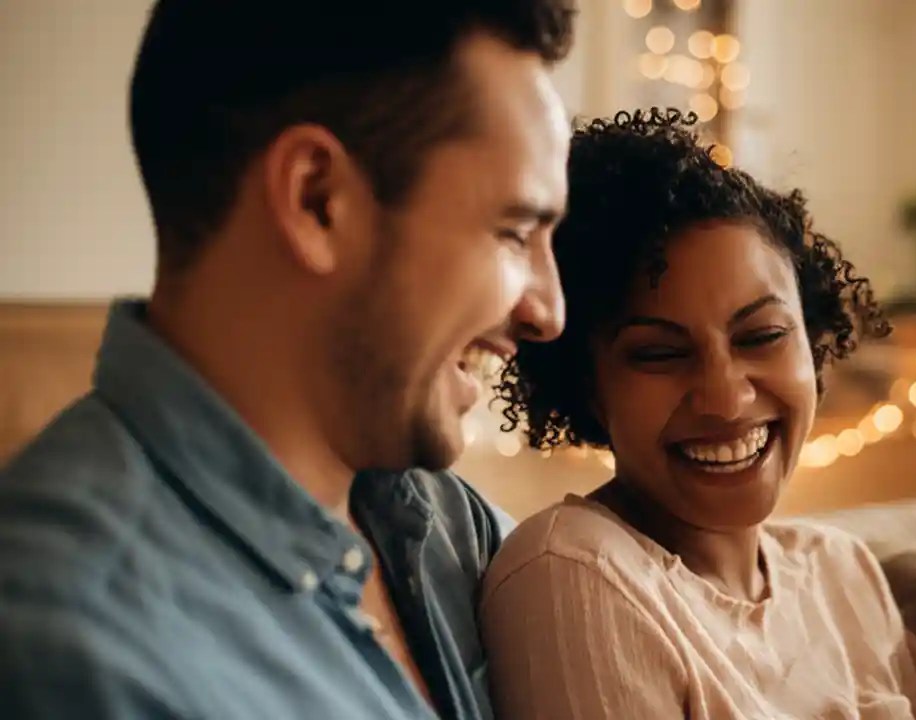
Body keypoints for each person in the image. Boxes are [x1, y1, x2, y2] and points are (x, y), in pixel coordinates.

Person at [0, 1, 575, 718]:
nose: (548, 311)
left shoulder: (452, 528)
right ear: (317, 200)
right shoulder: (71, 648)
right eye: (515, 232)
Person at [482, 109, 916, 719]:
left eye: (762, 336)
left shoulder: (843, 572)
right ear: (586, 383)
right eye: (660, 354)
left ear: (812, 341)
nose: (726, 399)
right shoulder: (575, 573)